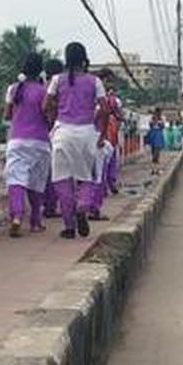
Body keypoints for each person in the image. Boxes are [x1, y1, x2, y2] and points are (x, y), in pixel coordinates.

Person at [44, 43, 105, 239]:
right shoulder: (95, 81)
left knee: (62, 180)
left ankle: (69, 226)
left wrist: (54, 117)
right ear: (84, 59)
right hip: (86, 133)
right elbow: (104, 109)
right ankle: (82, 206)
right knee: (86, 177)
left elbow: (46, 105)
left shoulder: (57, 80)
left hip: (62, 133)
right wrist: (101, 133)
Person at [3, 53, 51, 237]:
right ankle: (35, 221)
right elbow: (48, 115)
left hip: (17, 140)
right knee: (36, 184)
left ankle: (16, 216)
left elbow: (7, 115)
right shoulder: (44, 91)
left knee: (16, 179)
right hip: (40, 141)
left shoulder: (14, 89)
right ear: (40, 70)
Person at [87, 69, 122, 220]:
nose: (108, 85)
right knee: (97, 175)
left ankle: (87, 205)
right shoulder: (99, 98)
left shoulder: (90, 95)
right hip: (97, 138)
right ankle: (93, 208)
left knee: (90, 175)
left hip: (92, 137)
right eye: (107, 81)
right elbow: (98, 115)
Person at [41, 58, 65, 220]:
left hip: (40, 132)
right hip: (55, 131)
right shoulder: (57, 87)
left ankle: (45, 205)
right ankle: (51, 205)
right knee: (55, 172)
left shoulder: (42, 86)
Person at [146, 108, 166, 174]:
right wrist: (154, 120)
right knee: (153, 152)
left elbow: (162, 126)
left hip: (158, 134)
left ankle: (156, 168)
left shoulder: (162, 118)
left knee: (156, 153)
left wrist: (159, 120)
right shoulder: (152, 118)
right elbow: (150, 125)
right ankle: (154, 169)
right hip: (153, 134)